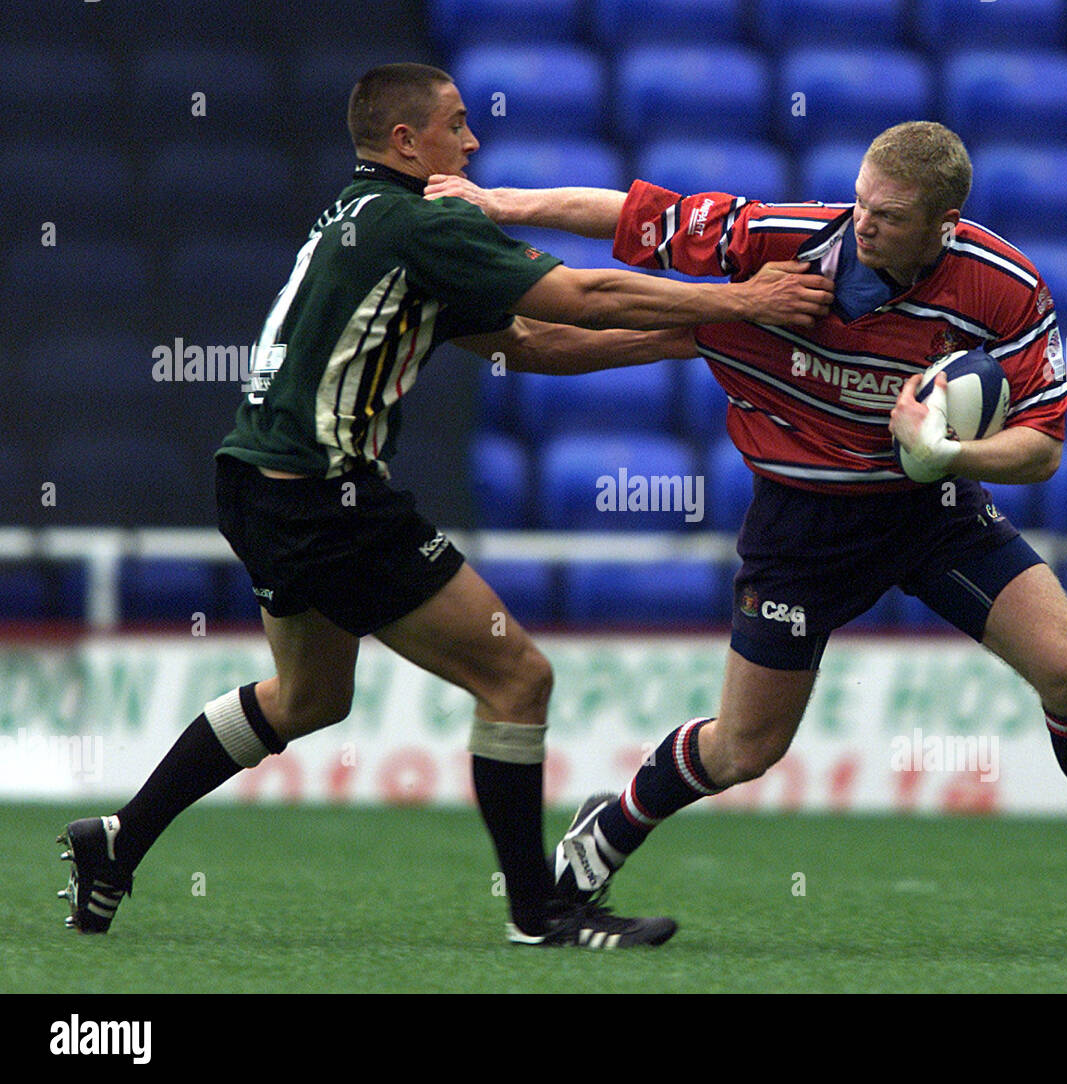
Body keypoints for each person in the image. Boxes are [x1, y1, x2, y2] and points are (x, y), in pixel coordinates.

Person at [56, 62, 834, 949]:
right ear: (405, 140)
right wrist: (745, 298)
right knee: (517, 677)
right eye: (457, 123)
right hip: (325, 497)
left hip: (257, 484)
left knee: (308, 697)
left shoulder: (362, 220)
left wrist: (694, 335)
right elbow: (580, 293)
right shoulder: (422, 223)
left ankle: (117, 842)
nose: (472, 140)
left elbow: (533, 342)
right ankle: (540, 911)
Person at [424, 120, 1067, 945]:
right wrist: (499, 202)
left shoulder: (1004, 286)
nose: (863, 224)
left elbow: (1044, 448)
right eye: (860, 202)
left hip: (931, 511)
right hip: (802, 524)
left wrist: (949, 451)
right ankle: (606, 833)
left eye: (887, 215)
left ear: (944, 225)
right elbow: (636, 215)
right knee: (744, 749)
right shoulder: (776, 244)